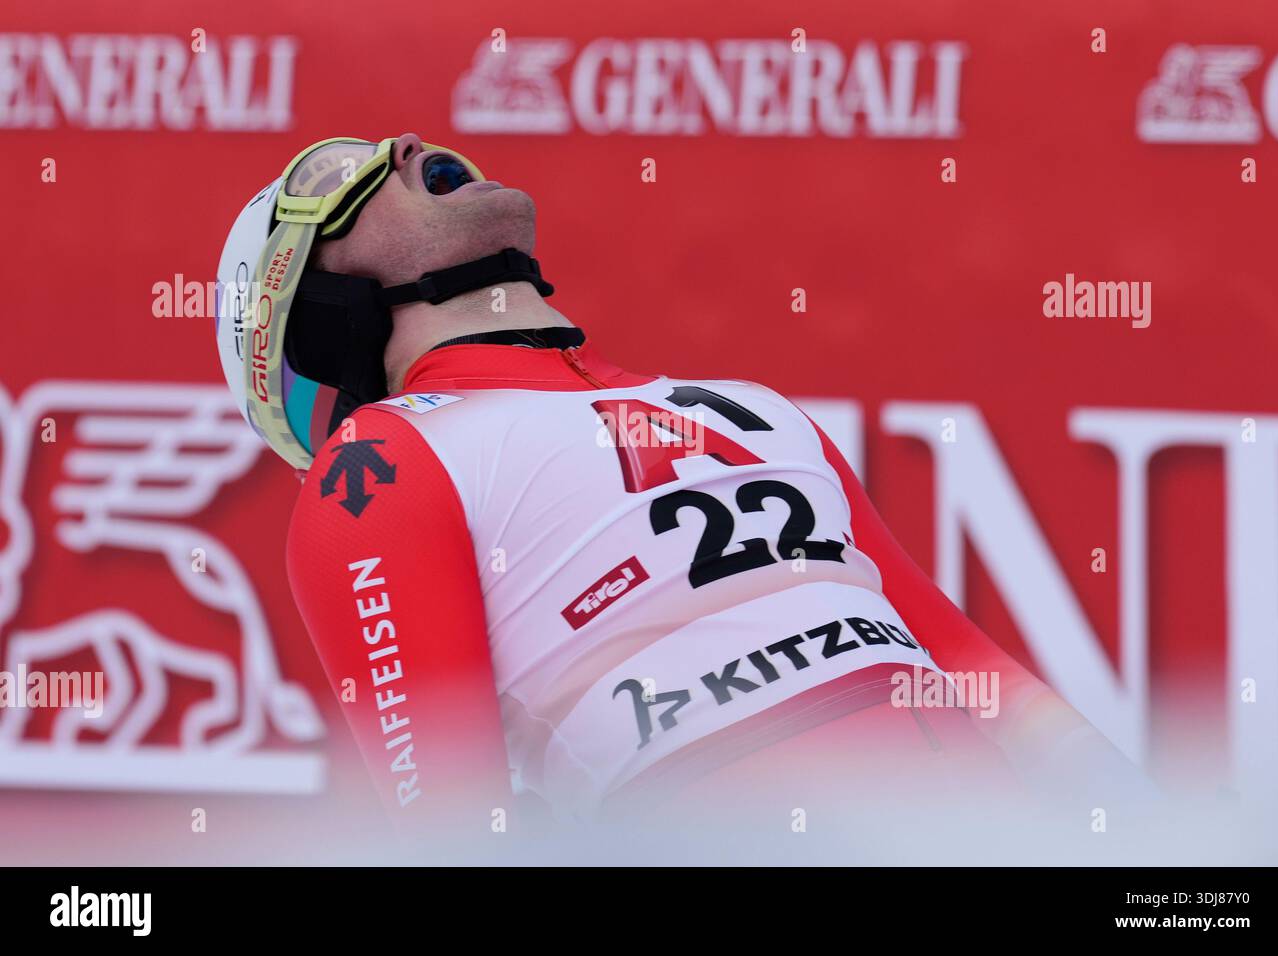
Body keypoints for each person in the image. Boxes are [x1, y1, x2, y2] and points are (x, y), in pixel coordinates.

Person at [215, 133, 1147, 836]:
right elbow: (455, 831)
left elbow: (978, 676)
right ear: (320, 313)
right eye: (334, 177)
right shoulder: (376, 465)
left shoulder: (756, 408)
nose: (408, 146)